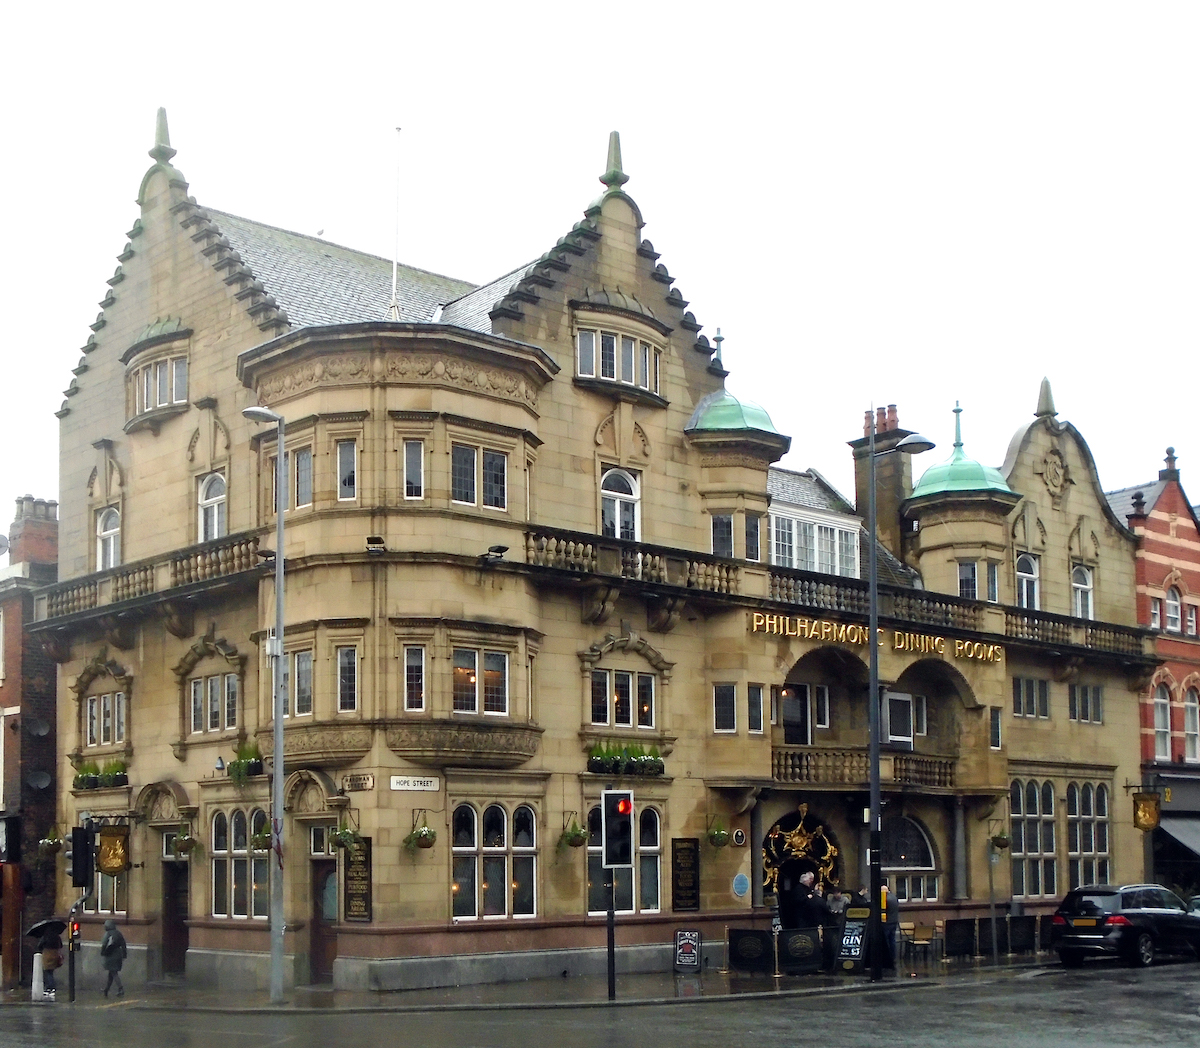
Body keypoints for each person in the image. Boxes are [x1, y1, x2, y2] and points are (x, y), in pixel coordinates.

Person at [99, 919, 127, 997]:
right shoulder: (118, 933)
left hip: (111, 955)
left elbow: (104, 944)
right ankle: (106, 989)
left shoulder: (108, 934)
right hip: (118, 954)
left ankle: (120, 988)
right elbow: (123, 944)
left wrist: (102, 952)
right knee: (111, 973)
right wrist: (124, 954)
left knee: (113, 973)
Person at [39, 930, 63, 1001]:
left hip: (47, 954)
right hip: (55, 954)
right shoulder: (57, 937)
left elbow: (40, 946)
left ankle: (50, 987)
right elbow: (61, 945)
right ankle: (51, 987)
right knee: (51, 971)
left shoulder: (45, 937)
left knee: (48, 972)